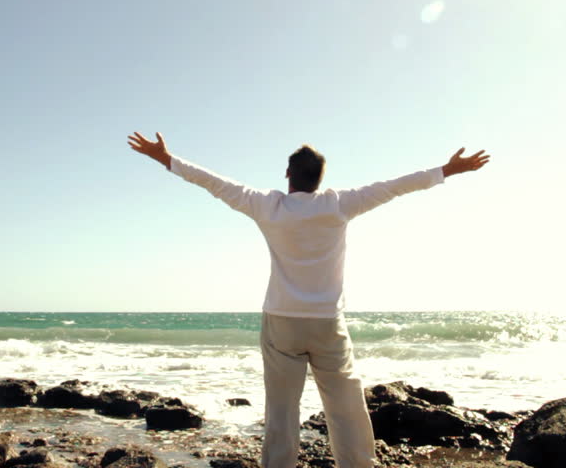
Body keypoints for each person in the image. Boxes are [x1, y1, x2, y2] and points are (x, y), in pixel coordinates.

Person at [127, 132, 489, 468]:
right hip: (327, 322)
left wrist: (166, 158)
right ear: (321, 178)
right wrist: (448, 170)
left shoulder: (267, 206)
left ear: (288, 174)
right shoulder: (338, 204)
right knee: (346, 408)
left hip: (281, 321)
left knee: (282, 410)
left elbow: (214, 183)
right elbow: (394, 187)